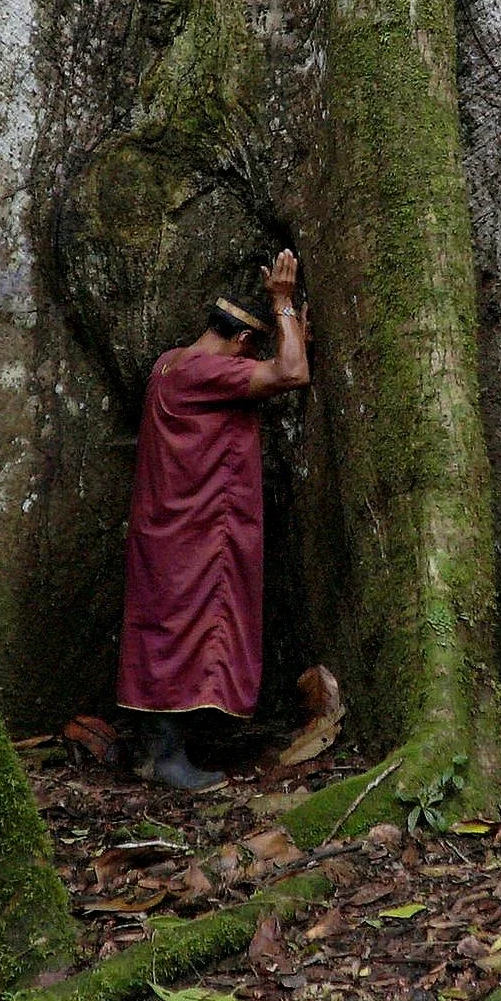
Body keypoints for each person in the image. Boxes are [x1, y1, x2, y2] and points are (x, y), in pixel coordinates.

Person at [118, 249, 311, 789]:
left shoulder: (171, 362)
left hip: (167, 524)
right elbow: (292, 373)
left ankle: (151, 749)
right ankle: (161, 756)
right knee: (179, 633)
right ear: (242, 344)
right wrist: (283, 303)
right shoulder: (207, 372)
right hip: (193, 532)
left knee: (161, 630)